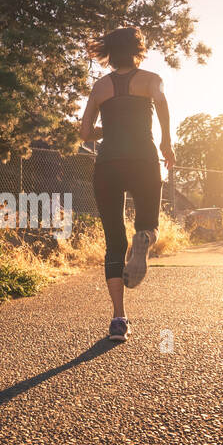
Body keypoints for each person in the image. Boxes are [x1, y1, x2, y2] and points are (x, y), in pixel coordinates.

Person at [79, 26, 174, 341]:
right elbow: (160, 104)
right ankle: (144, 238)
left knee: (114, 242)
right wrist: (166, 144)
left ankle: (119, 319)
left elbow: (84, 132)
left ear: (110, 52)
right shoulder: (150, 79)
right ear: (138, 50)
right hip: (143, 160)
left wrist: (109, 130)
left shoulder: (100, 87)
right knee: (147, 222)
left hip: (107, 166)